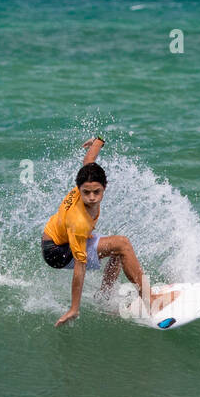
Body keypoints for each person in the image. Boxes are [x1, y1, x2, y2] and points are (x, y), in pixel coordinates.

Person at [42, 136, 177, 327]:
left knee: (119, 251)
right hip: (57, 251)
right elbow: (80, 270)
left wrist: (98, 141)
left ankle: (104, 298)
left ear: (105, 187)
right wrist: (74, 308)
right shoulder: (79, 222)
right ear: (79, 189)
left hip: (58, 236)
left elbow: (88, 162)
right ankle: (151, 302)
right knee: (122, 244)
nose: (91, 197)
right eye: (86, 192)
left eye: (96, 192)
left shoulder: (87, 179)